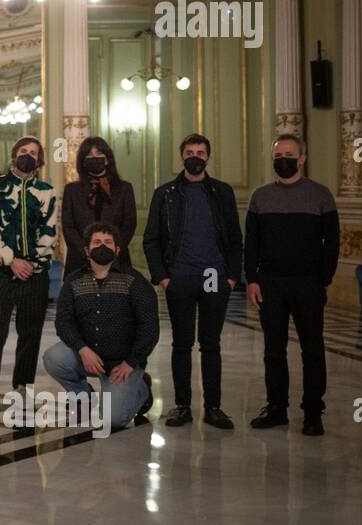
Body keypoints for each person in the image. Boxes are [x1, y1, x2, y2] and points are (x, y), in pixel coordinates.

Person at [142, 133, 242, 430]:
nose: (195, 156)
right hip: (180, 277)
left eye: (200, 151)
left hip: (215, 277)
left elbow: (235, 239)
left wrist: (232, 278)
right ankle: (182, 405)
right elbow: (152, 239)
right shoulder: (166, 193)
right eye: (189, 152)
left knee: (210, 344)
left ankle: (213, 407)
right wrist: (163, 277)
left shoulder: (222, 192)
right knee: (182, 343)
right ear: (181, 156)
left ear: (208, 157)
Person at [245, 134, 338, 436]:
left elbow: (332, 242)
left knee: (312, 349)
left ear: (301, 159)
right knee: (274, 350)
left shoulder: (321, 195)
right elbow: (252, 243)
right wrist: (252, 279)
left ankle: (313, 412)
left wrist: (322, 279)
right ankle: (276, 408)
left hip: (308, 284)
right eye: (277, 155)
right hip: (270, 284)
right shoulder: (260, 196)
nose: (282, 160)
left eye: (288, 154)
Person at [42, 222, 156, 431]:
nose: (102, 246)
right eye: (96, 242)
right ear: (87, 250)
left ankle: (142, 390)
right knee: (53, 358)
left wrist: (131, 363)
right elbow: (63, 322)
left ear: (117, 249)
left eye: (108, 242)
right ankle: (83, 396)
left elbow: (149, 327)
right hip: (89, 357)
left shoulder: (135, 281)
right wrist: (83, 350)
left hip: (122, 365)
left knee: (112, 420)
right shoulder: (74, 281)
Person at [0, 137, 59, 409]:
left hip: (36, 275)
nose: (28, 156)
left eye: (34, 153)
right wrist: (12, 261)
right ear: (13, 155)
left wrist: (31, 263)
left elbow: (50, 233)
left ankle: (22, 388)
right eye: (24, 151)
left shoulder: (47, 191)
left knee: (30, 334)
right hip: (2, 274)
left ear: (40, 160)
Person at [62, 137, 136, 274]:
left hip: (116, 260)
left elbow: (129, 225)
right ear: (83, 161)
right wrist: (87, 253)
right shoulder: (71, 190)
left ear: (107, 159)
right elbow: (68, 227)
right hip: (79, 261)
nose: (94, 159)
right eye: (89, 156)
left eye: (99, 155)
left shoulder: (124, 188)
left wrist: (111, 250)